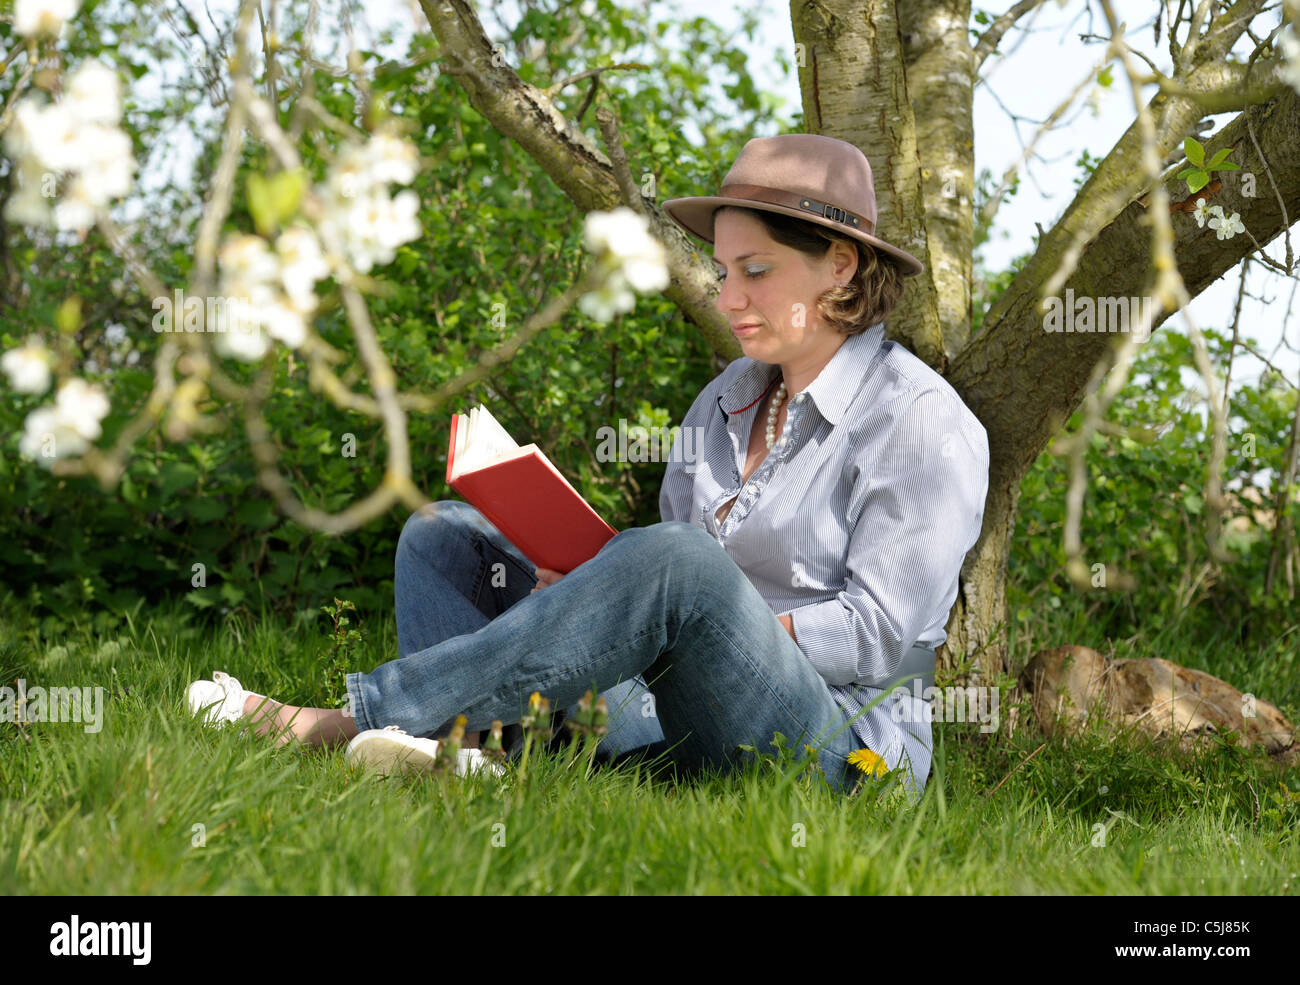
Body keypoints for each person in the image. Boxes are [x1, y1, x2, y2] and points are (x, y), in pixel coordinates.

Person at [188, 133, 989, 799]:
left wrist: (705, 619)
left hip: (838, 746)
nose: (728, 296)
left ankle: (354, 721)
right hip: (668, 706)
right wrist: (587, 594)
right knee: (446, 536)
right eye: (723, 272)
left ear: (840, 265)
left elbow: (878, 636)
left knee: (681, 568)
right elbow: (665, 575)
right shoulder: (726, 400)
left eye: (756, 271)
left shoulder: (918, 422)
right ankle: (479, 759)